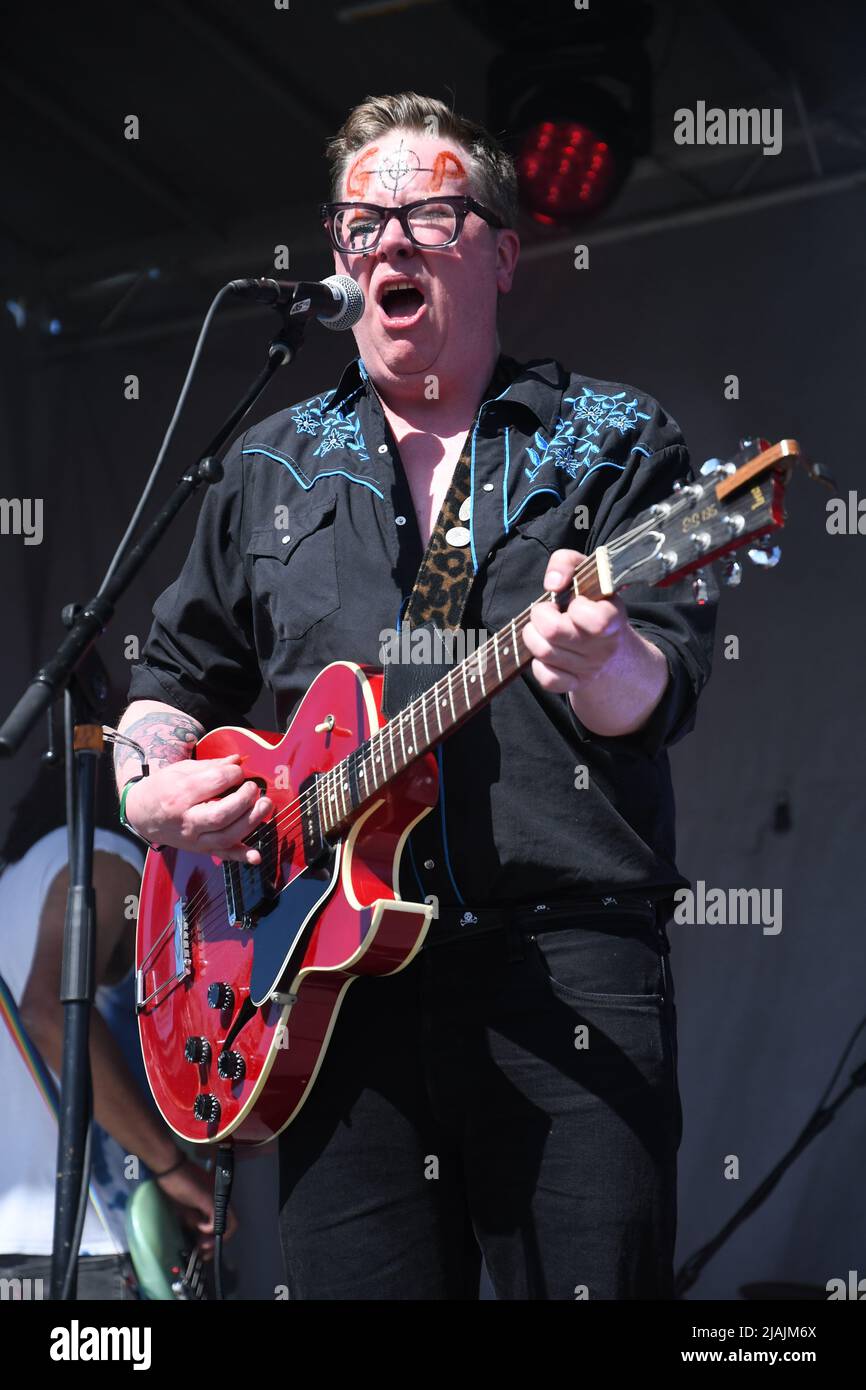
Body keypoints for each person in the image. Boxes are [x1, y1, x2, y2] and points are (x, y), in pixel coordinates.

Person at [115, 93, 718, 1300]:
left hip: (565, 976)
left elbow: (654, 690)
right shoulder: (267, 463)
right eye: (359, 223)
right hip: (328, 996)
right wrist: (147, 790)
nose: (389, 242)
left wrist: (600, 662)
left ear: (499, 251)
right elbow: (169, 683)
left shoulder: (607, 440)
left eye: (430, 214)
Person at [0, 754, 220, 1299]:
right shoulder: (105, 857)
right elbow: (49, 1014)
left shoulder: (12, 884)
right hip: (98, 1243)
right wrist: (170, 1166)